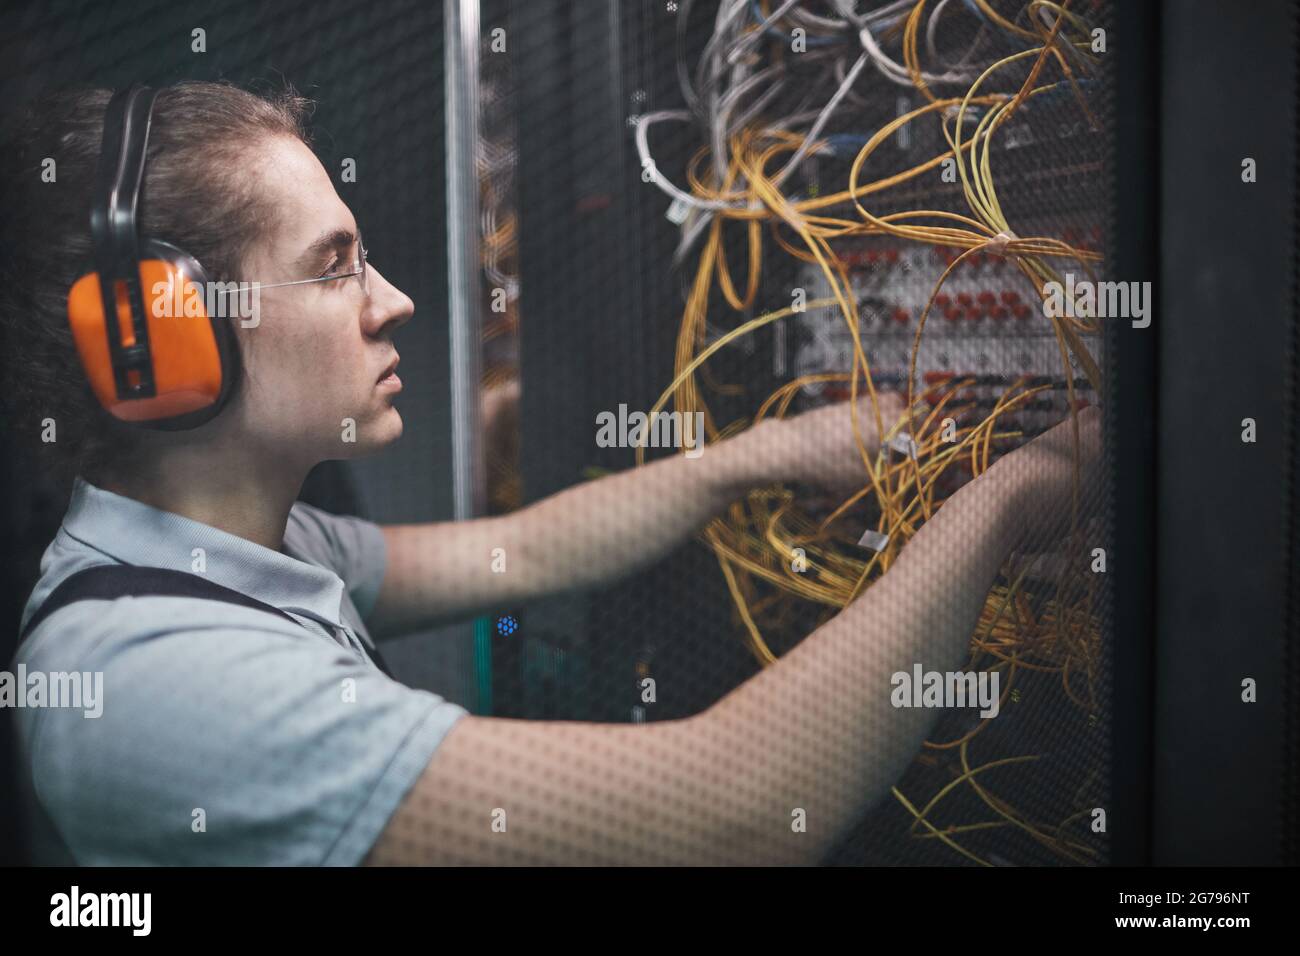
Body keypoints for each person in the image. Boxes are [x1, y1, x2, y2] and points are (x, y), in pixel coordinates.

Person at [0, 81, 1099, 866]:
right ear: (159, 340)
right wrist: (1000, 499)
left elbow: (519, 548)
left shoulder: (237, 551)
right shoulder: (153, 678)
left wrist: (760, 454)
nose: (393, 301)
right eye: (334, 268)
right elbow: (743, 812)